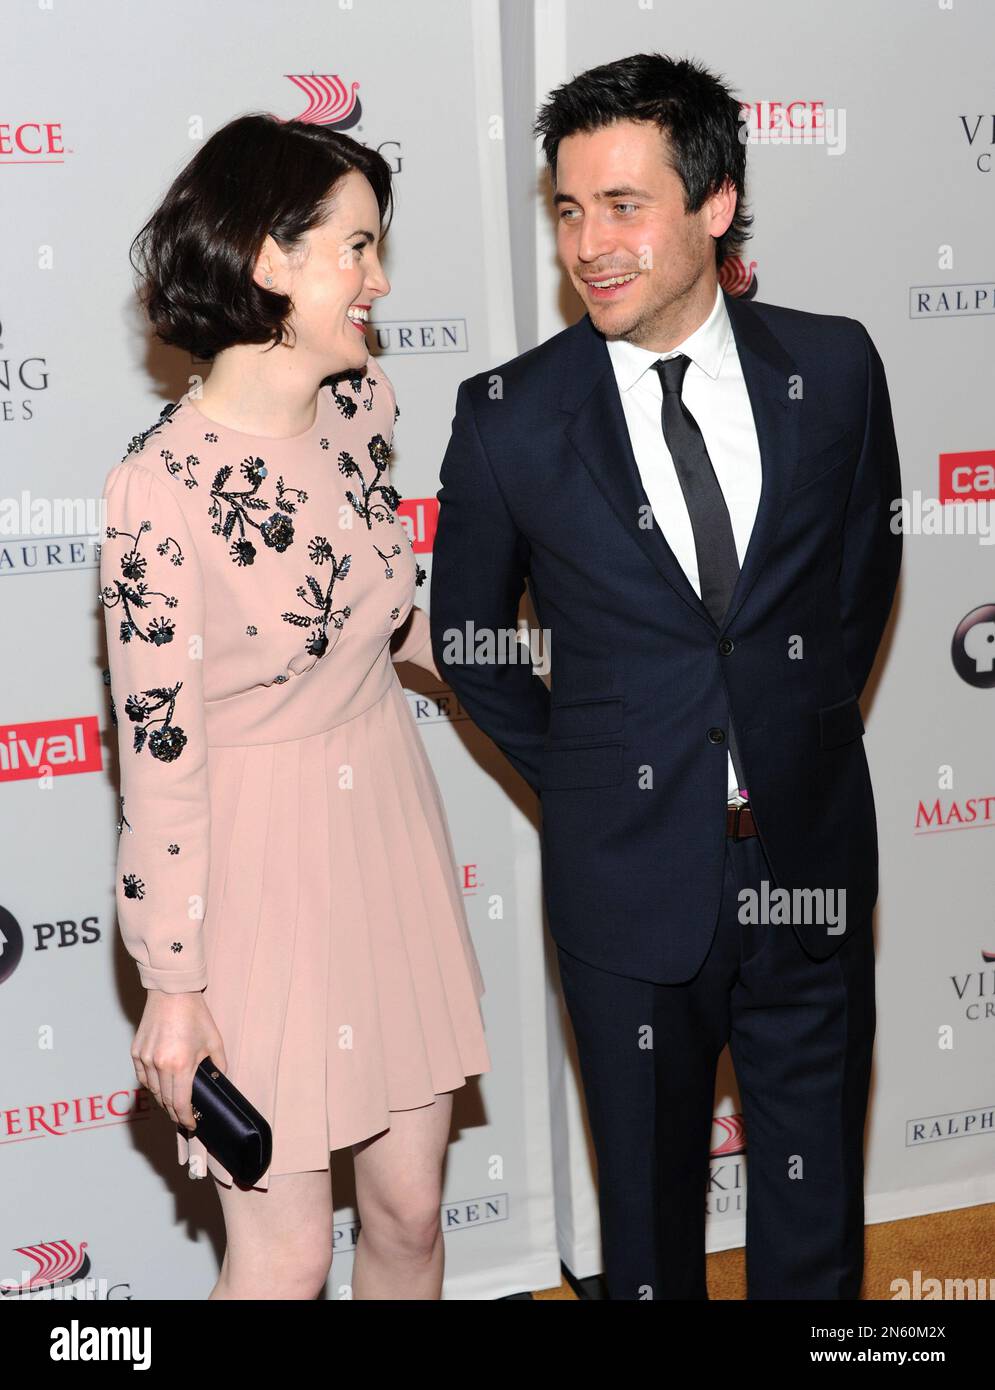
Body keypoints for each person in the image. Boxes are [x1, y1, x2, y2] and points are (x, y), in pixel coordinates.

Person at [430, 53, 902, 1299]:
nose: (590, 244)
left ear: (714, 204)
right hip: (626, 882)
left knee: (815, 1216)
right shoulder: (508, 419)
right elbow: (469, 643)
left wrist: (782, 730)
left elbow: (857, 584)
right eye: (569, 209)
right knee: (645, 1235)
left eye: (624, 206)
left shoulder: (835, 370)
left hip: (806, 860)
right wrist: (589, 777)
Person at [99, 112, 490, 1301]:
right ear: (269, 259)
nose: (378, 281)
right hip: (253, 879)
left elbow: (387, 612)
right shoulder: (152, 494)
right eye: (356, 248)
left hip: (385, 825)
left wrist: (534, 668)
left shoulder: (363, 407)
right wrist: (174, 984)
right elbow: (158, 759)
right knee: (278, 1262)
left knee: (412, 1213)